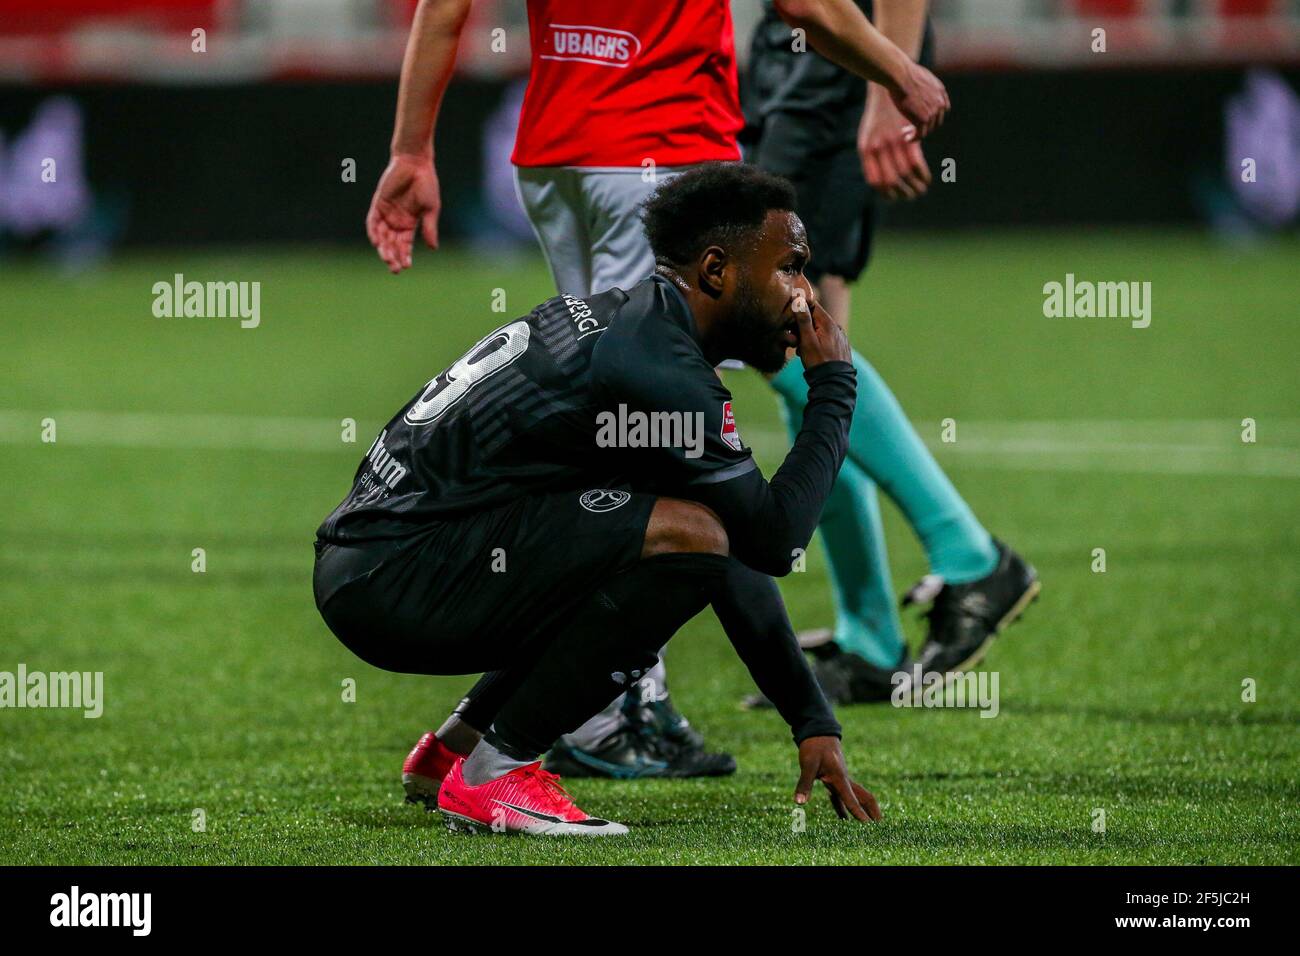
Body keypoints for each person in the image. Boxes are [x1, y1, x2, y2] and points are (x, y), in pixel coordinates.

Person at [366, 0, 949, 781]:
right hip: (660, 139)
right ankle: (596, 721)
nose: (799, 291)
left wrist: (412, 149)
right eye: (788, 271)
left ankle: (484, 729)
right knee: (679, 488)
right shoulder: (673, 329)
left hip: (556, 149)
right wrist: (898, 69)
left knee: (621, 445)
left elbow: (445, 6)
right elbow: (804, 5)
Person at [317, 164, 880, 835]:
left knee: (675, 532)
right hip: (398, 579)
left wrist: (810, 720)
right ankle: (498, 770)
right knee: (686, 535)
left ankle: (458, 748)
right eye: (790, 267)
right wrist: (835, 388)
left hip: (380, 563)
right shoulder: (656, 367)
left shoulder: (634, 327)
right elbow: (772, 539)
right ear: (715, 270)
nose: (804, 297)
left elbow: (740, 550)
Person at [741, 0, 1039, 705]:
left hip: (841, 63)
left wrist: (883, 93)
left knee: (775, 324)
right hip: (803, 53)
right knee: (812, 335)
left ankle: (971, 556)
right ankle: (871, 635)